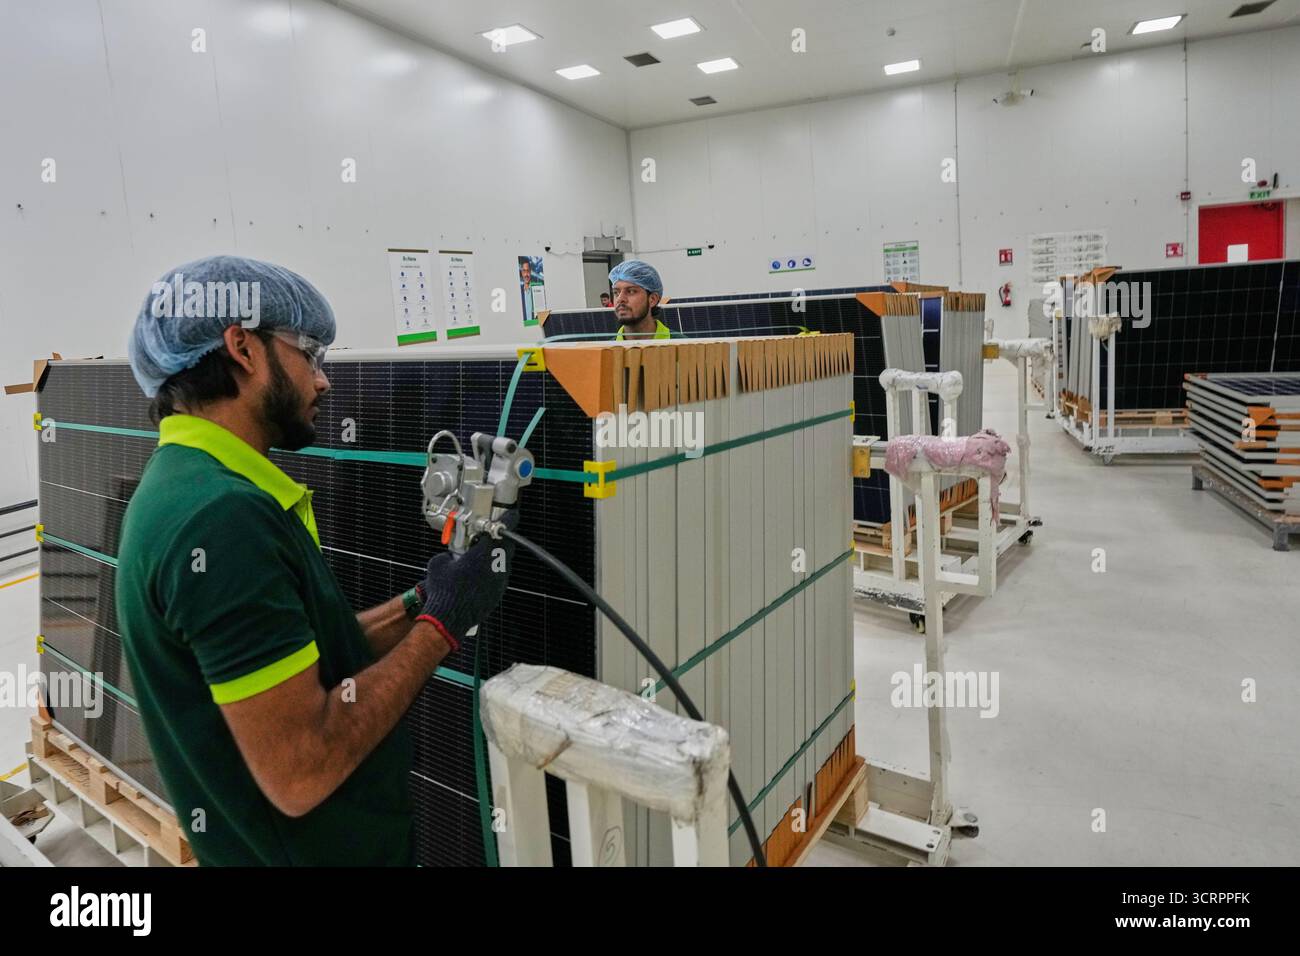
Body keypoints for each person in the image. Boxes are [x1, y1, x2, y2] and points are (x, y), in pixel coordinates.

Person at [116, 255, 513, 865]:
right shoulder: (220, 523)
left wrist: (420, 605)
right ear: (243, 348)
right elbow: (303, 768)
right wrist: (441, 630)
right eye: (311, 353)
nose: (324, 380)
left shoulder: (189, 487)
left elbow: (302, 668)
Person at [609, 259, 671, 340]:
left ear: (653, 299)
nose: (620, 299)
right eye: (616, 292)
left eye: (631, 291)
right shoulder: (606, 350)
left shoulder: (683, 346)